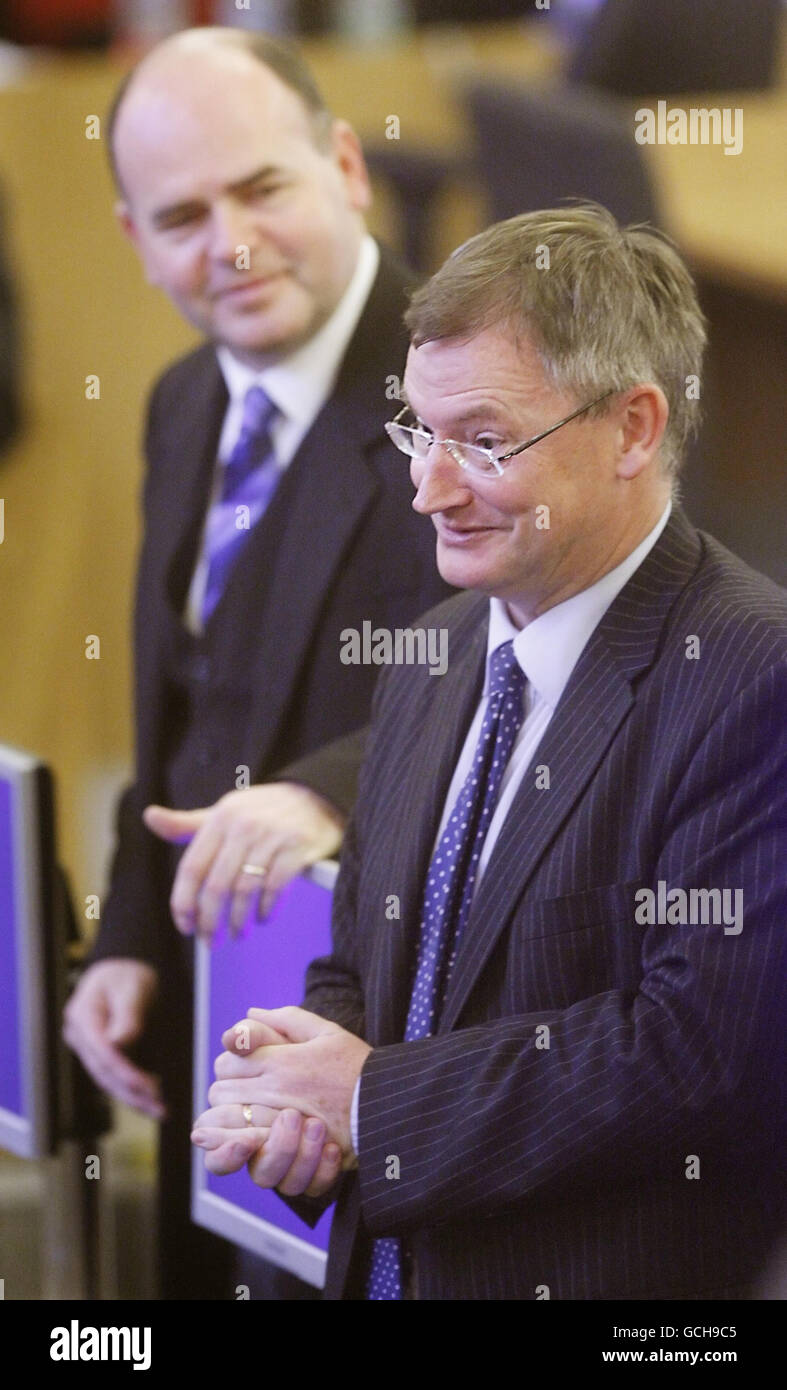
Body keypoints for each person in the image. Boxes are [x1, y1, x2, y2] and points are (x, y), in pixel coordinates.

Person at [194, 204, 787, 1300]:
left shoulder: (752, 676)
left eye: (483, 439)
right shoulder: (429, 654)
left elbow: (701, 1054)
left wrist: (368, 1102)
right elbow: (365, 965)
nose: (429, 488)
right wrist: (306, 1084)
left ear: (634, 429)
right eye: (419, 432)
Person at [62, 26, 451, 1299]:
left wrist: (330, 785)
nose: (226, 245)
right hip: (209, 1026)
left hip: (392, 1046)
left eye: (262, 189)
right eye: (181, 216)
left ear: (343, 164)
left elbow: (545, 680)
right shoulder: (184, 402)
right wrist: (125, 939)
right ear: (133, 238)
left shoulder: (473, 389)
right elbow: (174, 709)